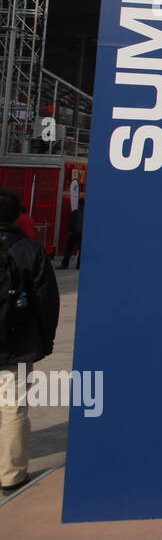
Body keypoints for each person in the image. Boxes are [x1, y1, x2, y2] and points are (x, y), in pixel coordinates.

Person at [0, 189, 60, 495]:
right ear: (16, 216)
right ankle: (10, 475)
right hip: (18, 344)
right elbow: (47, 300)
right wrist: (45, 339)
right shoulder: (30, 250)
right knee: (13, 408)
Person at [61, 205, 84, 270]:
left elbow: (71, 222)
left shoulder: (75, 213)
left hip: (74, 233)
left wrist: (70, 230)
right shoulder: (86, 212)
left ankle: (65, 265)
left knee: (69, 249)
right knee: (81, 250)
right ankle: (79, 266)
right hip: (82, 234)